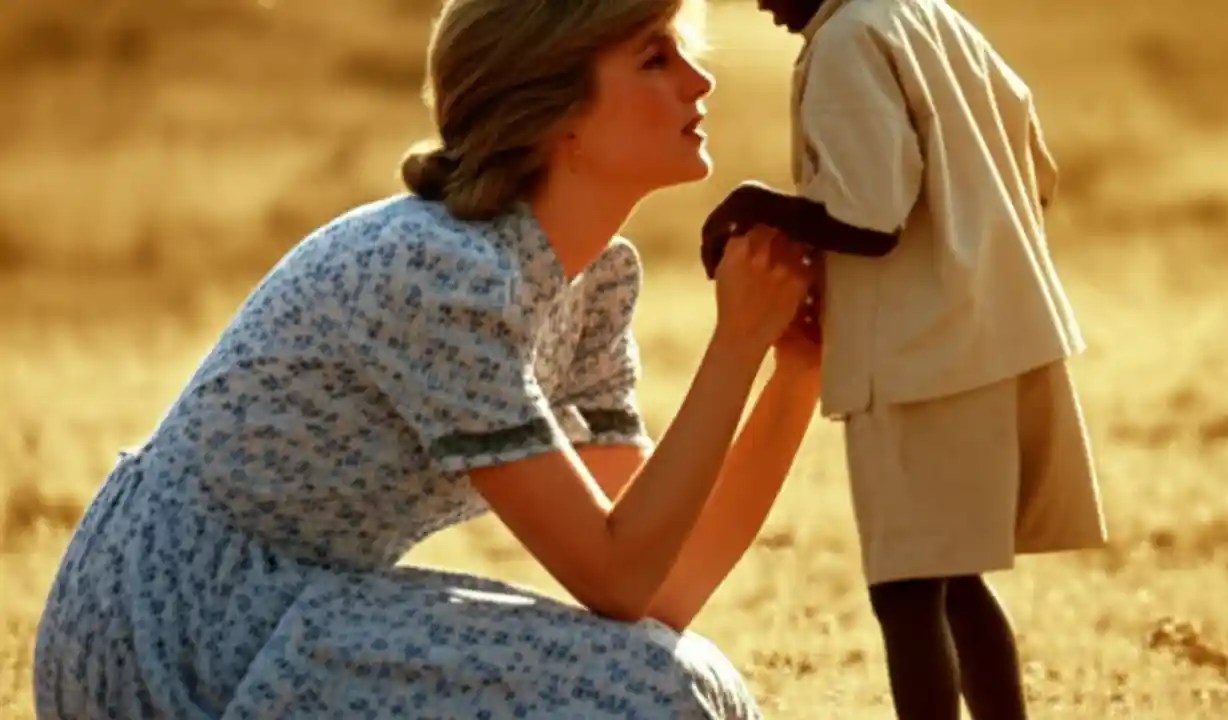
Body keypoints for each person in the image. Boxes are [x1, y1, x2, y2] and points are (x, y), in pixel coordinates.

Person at [33, 0, 823, 717]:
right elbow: (616, 577)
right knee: (655, 697)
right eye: (656, 59)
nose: (701, 78)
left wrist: (795, 367)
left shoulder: (591, 282)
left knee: (698, 683)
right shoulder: (439, 274)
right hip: (171, 635)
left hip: (304, 601)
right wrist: (735, 343)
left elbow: (662, 582)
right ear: (554, 114)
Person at [702, 1, 1109, 718]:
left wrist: (752, 204)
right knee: (950, 578)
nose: (759, 2)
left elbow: (868, 218)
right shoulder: (924, 14)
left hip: (922, 359)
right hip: (991, 335)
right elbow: (1034, 166)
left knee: (907, 589)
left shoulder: (846, 42)